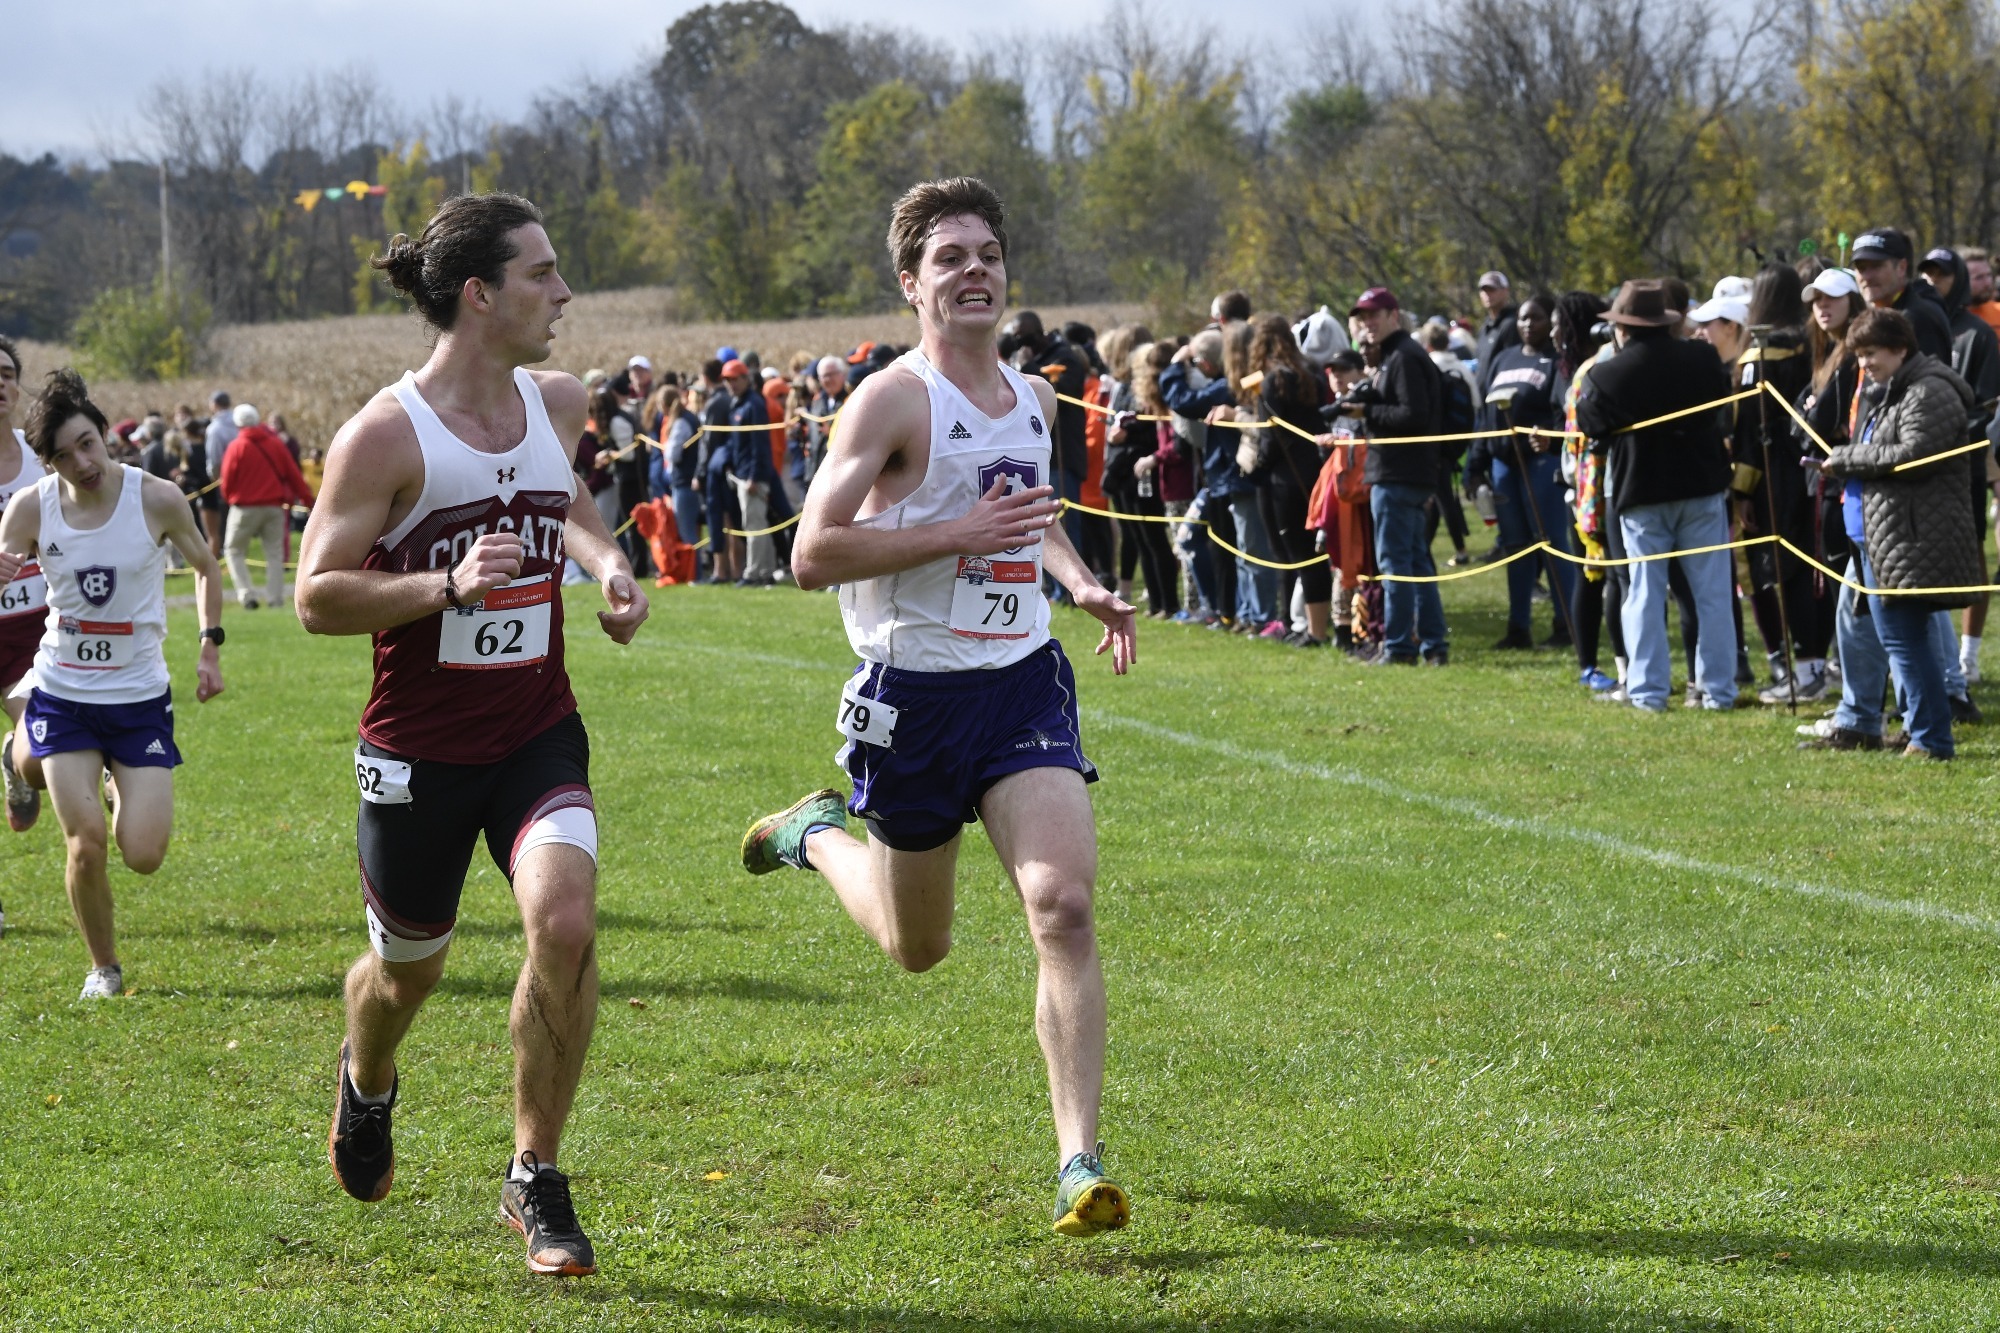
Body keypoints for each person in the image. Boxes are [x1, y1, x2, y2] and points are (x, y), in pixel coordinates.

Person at [741, 176, 1135, 1239]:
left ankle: (1078, 1161)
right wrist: (952, 535)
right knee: (918, 949)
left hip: (1017, 684)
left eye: (987, 252)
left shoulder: (1038, 397)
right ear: (910, 284)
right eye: (949, 256)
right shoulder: (894, 401)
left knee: (1062, 905)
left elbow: (1027, 517)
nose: (974, 269)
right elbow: (811, 554)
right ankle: (817, 833)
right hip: (908, 699)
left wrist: (1077, 577)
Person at [295, 193, 649, 1277]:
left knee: (567, 914)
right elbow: (316, 595)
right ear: (479, 294)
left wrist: (607, 565)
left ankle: (534, 1174)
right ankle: (367, 1075)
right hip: (417, 751)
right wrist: (444, 582)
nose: (565, 292)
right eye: (542, 273)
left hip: (536, 726)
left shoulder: (557, 400)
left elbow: (567, 500)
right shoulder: (385, 434)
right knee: (406, 973)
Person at [0, 369, 226, 996]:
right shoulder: (30, 508)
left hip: (138, 698)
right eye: (63, 456)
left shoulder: (156, 498)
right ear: (46, 464)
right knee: (87, 841)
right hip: (63, 692)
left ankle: (24, 756)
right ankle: (104, 968)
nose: (81, 462)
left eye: (87, 444)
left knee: (144, 853)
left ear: (104, 434)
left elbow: (207, 569)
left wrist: (209, 647)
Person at [1806, 307, 1980, 759]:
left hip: (1911, 536)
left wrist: (1846, 458)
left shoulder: (1929, 390)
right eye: (1859, 354)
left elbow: (1915, 453)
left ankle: (1930, 740)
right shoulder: (1895, 389)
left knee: (1905, 639)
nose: (1865, 363)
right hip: (1886, 535)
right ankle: (1923, 734)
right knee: (1901, 639)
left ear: (1901, 348)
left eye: (1872, 353)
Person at [1576, 279, 1738, 712]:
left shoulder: (1606, 373)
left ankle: (1648, 692)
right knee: (1713, 594)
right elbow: (1723, 403)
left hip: (1642, 492)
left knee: (1645, 594)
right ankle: (1718, 690)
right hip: (1701, 488)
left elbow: (1591, 426)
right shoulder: (1703, 358)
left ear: (1622, 328)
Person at [1340, 287, 1447, 665]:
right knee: (1416, 564)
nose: (1368, 323)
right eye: (1363, 317)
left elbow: (1411, 415)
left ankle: (1400, 646)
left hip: (1399, 473)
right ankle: (1434, 644)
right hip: (1407, 472)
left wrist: (1365, 414)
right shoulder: (1397, 356)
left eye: (1375, 315)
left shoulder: (1402, 357)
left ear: (1393, 317)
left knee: (1396, 564)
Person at [1472, 292, 1573, 650]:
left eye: (1537, 318)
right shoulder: (1504, 357)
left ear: (1551, 323)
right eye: (1524, 319)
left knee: (1551, 541)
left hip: (1541, 462)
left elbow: (1565, 413)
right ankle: (1519, 628)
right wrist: (1476, 463)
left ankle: (1566, 624)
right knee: (1515, 547)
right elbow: (1485, 417)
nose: (1528, 325)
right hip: (1502, 464)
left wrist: (1550, 437)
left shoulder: (1556, 362)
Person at [1249, 313, 1333, 646]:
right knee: (1310, 552)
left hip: (1285, 479)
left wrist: (1254, 469)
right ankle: (1301, 624)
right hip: (1315, 471)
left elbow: (1270, 440)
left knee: (1295, 554)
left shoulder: (1274, 381)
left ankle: (1312, 630)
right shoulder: (1312, 371)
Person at [0, 335, 48, 841]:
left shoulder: (41, 459)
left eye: (7, 374)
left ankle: (15, 765)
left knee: (38, 752)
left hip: (30, 638)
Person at [219, 403, 315, 611]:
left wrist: (229, 498)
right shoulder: (275, 443)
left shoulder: (236, 446)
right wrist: (308, 500)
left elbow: (227, 480)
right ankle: (275, 598)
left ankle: (246, 594)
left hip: (244, 508)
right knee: (274, 553)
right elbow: (293, 474)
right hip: (274, 507)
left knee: (234, 550)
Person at [1851, 228, 1955, 362]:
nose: (1867, 276)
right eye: (1861, 268)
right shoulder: (1885, 311)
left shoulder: (1918, 318)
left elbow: (1929, 380)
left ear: (1901, 268)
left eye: (1876, 266)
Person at [1473, 271, 1520, 389]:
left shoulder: (1512, 324)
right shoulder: (1485, 327)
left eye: (1492, 290)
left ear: (1505, 291)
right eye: (1484, 290)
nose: (1487, 294)